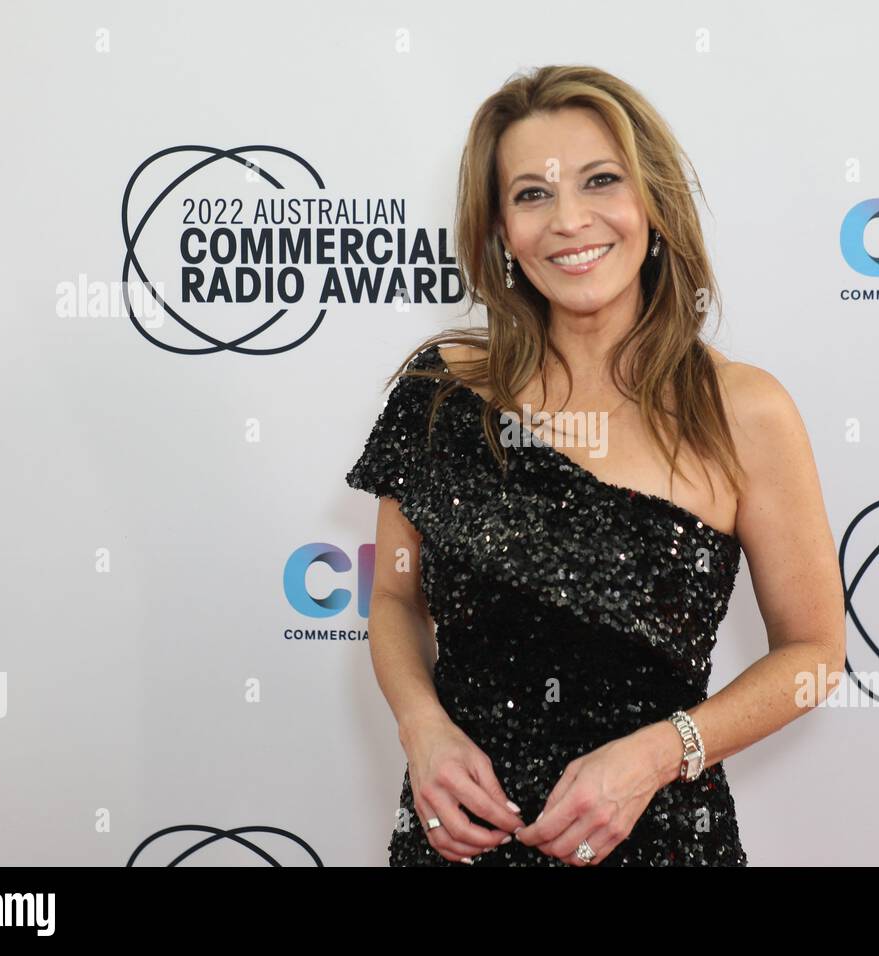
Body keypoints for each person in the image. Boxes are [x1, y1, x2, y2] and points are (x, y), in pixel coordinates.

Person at [345, 65, 845, 866]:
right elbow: (397, 597)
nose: (569, 221)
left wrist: (656, 755)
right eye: (531, 195)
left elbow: (816, 656)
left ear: (652, 202)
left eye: (600, 181)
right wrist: (421, 727)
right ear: (500, 230)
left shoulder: (746, 411)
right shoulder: (440, 394)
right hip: (460, 839)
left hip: (662, 839)